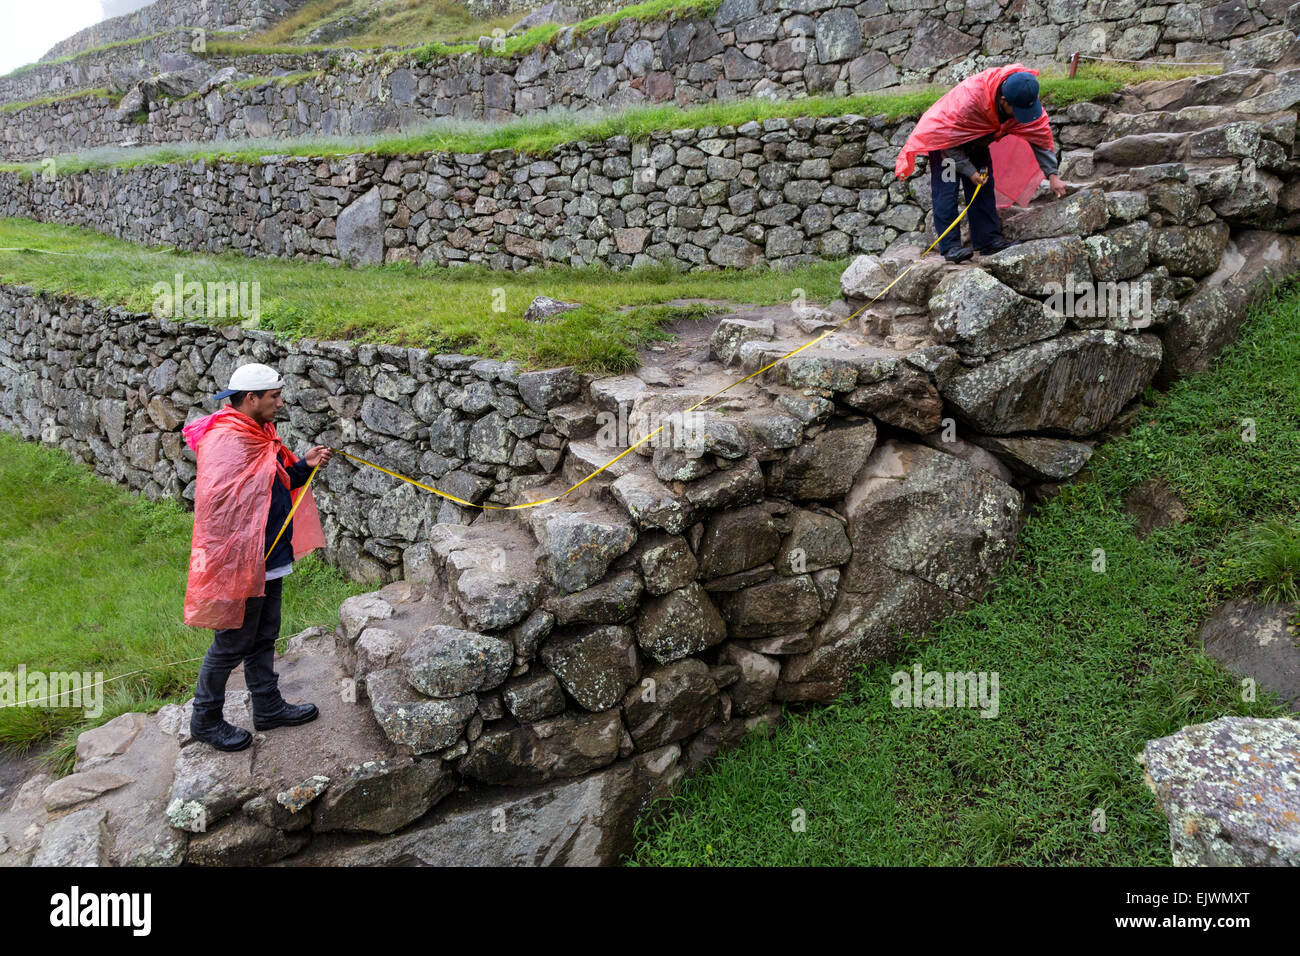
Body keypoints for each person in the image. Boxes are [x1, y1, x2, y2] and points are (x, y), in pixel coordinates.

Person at [181, 362, 333, 752]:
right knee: (231, 643)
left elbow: (276, 482)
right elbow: (220, 506)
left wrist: (304, 467)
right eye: (273, 397)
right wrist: (240, 556)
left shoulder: (259, 433)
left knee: (264, 636)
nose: (280, 403)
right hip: (241, 561)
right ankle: (205, 719)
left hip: (269, 553)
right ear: (251, 399)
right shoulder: (227, 440)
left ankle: (267, 707)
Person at [895, 65, 1069, 263]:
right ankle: (950, 247)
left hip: (977, 143)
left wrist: (1053, 175)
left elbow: (1040, 137)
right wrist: (969, 171)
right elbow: (949, 146)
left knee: (984, 187)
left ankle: (988, 241)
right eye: (1017, 111)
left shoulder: (1023, 96)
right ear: (1003, 101)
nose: (1021, 116)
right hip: (946, 148)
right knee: (946, 191)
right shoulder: (970, 102)